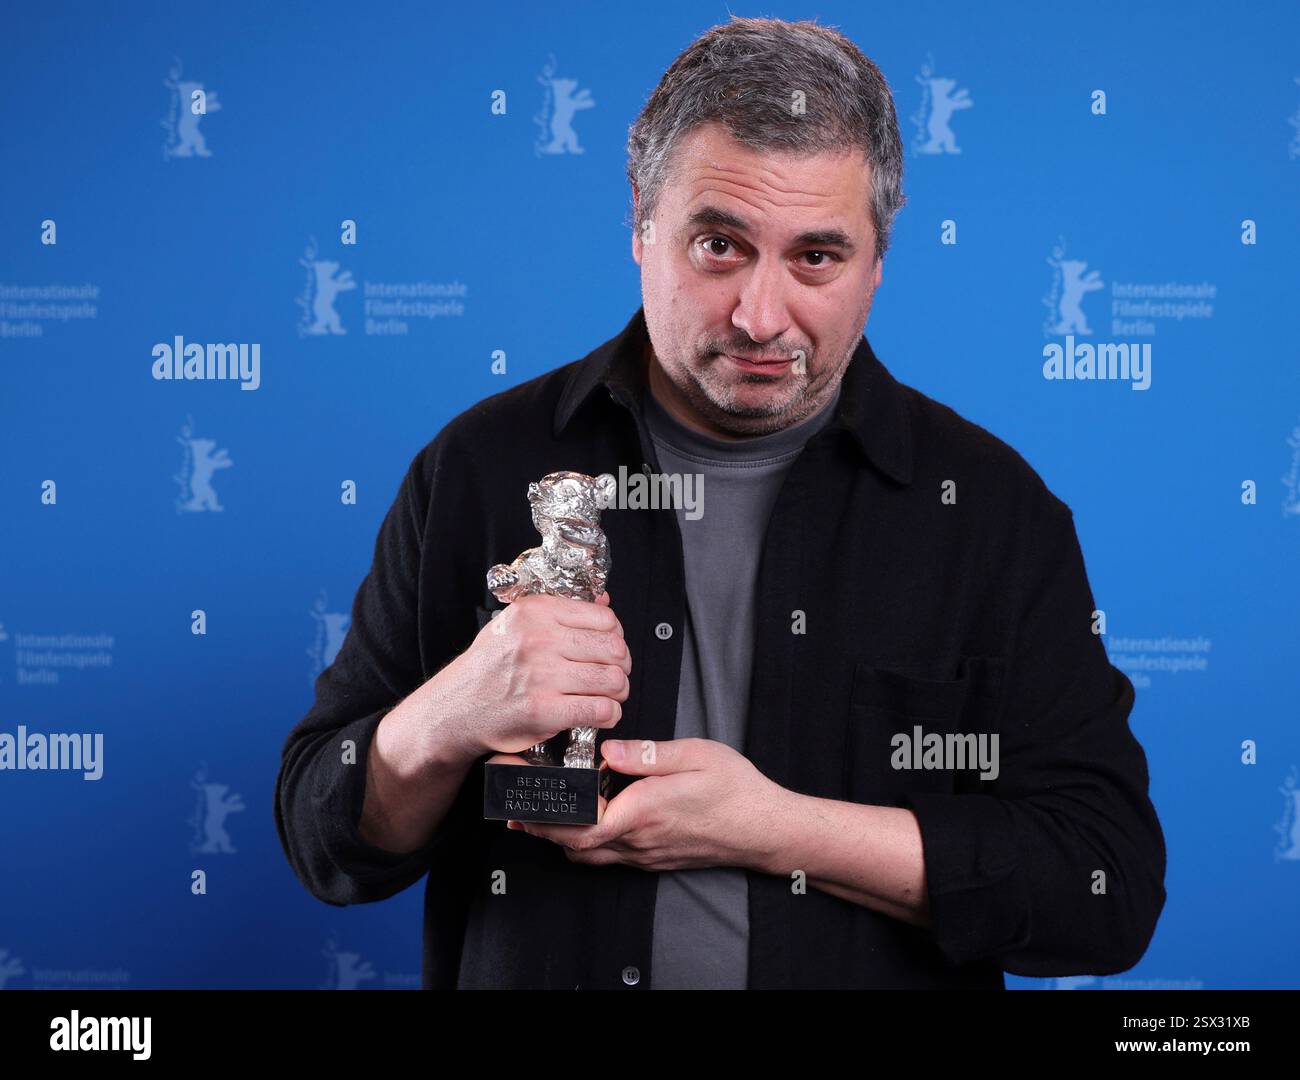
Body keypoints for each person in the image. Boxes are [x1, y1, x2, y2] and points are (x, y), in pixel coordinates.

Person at [274, 15, 1166, 990]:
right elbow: (325, 846)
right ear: (641, 222)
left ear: (878, 259)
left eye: (816, 258)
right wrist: (449, 715)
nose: (760, 317)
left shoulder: (992, 512)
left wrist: (775, 829)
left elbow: (1104, 888)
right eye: (719, 245)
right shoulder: (479, 466)